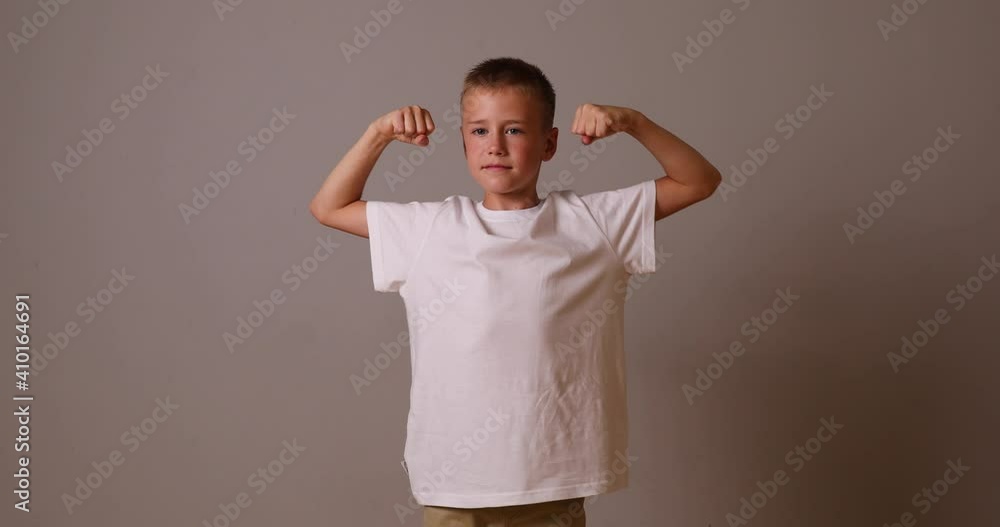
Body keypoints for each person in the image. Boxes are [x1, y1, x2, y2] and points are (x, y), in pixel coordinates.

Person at [309, 57, 721, 526]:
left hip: (553, 481)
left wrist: (634, 123)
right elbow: (329, 206)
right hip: (456, 484)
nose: (496, 146)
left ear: (549, 143)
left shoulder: (593, 224)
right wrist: (379, 133)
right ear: (463, 141)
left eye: (515, 131)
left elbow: (699, 180)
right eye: (480, 131)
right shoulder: (429, 228)